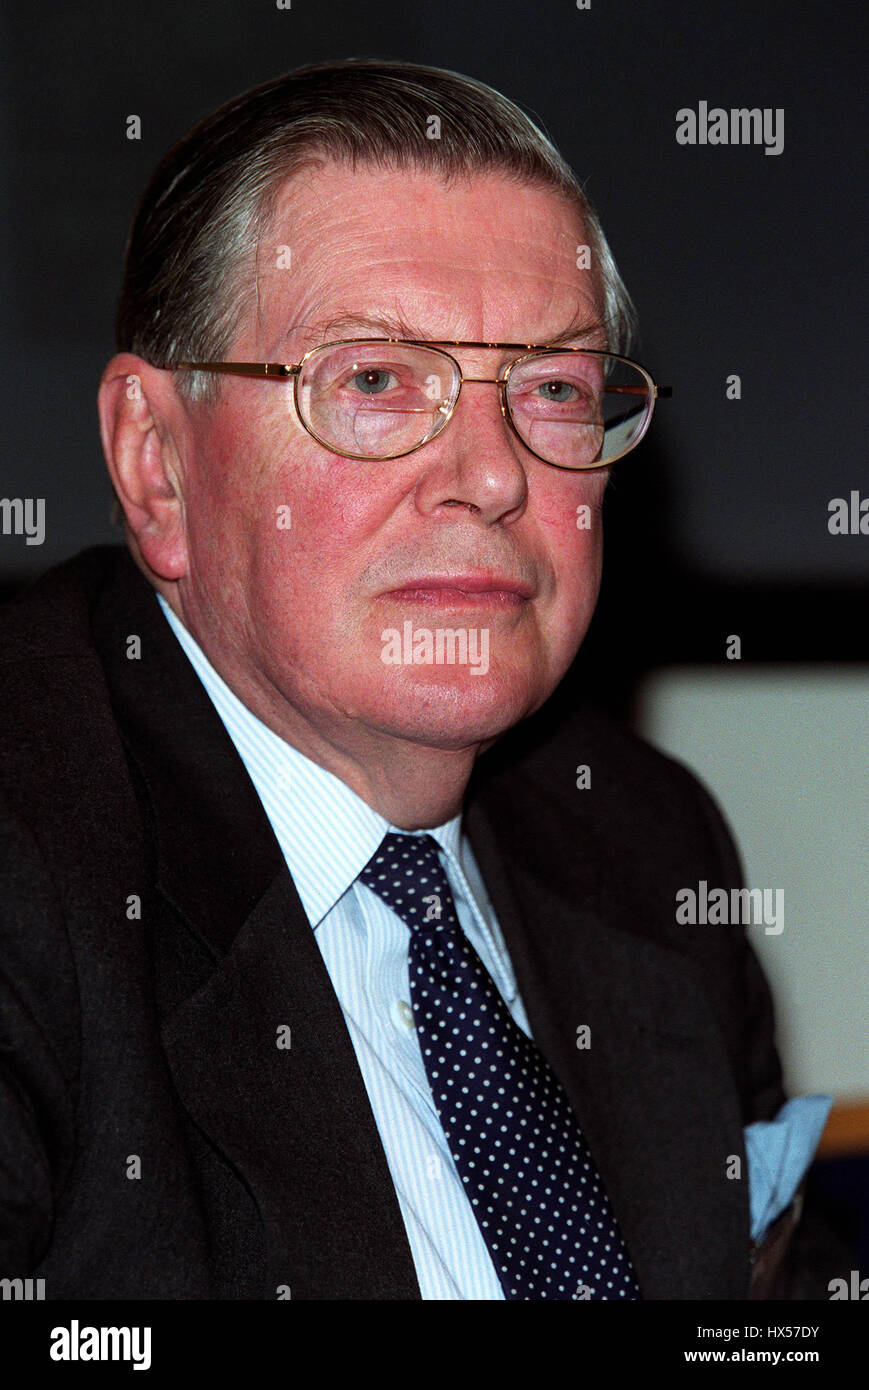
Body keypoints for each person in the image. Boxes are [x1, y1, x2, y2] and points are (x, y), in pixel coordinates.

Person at [0, 57, 851, 1300]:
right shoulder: (34, 864)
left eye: (551, 390)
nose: (493, 477)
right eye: (376, 383)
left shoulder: (639, 842)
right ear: (157, 466)